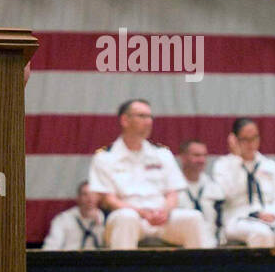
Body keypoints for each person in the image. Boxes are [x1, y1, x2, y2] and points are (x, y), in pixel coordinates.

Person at [87, 99, 212, 249]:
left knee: (193, 218)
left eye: (150, 117)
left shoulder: (162, 153)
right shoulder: (105, 157)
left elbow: (173, 193)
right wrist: (142, 213)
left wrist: (164, 212)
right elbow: (108, 199)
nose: (149, 122)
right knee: (126, 218)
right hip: (129, 217)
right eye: (142, 116)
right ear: (125, 120)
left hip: (161, 217)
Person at [213, 119, 275, 247]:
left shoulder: (270, 166)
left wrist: (273, 213)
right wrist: (237, 160)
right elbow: (226, 194)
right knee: (262, 234)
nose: (251, 144)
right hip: (238, 218)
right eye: (245, 139)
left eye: (254, 138)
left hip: (269, 215)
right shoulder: (223, 165)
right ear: (235, 140)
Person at [177, 139, 225, 245]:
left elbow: (220, 224)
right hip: (181, 246)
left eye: (204, 155)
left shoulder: (214, 187)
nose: (202, 160)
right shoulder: (173, 188)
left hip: (211, 245)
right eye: (197, 155)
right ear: (183, 158)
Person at [41, 182, 107, 250]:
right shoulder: (63, 219)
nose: (90, 199)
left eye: (93, 194)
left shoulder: (106, 220)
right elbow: (52, 246)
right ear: (78, 198)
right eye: (85, 194)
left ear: (99, 197)